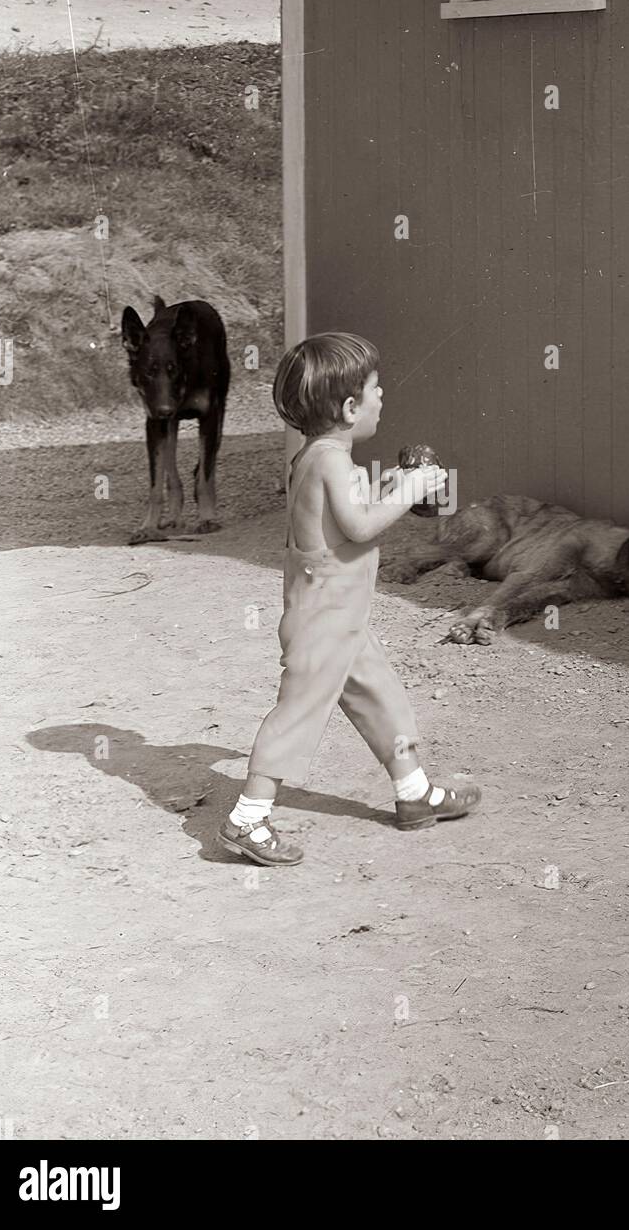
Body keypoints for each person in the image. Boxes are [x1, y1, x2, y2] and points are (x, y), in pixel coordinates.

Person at [218, 332, 481, 866]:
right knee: (299, 710)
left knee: (384, 698)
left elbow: (343, 524)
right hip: (323, 617)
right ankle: (247, 817)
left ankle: (414, 793)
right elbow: (360, 528)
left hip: (343, 615)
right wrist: (407, 493)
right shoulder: (329, 462)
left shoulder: (320, 456)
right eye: (376, 388)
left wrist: (404, 488)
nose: (383, 397)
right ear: (349, 407)